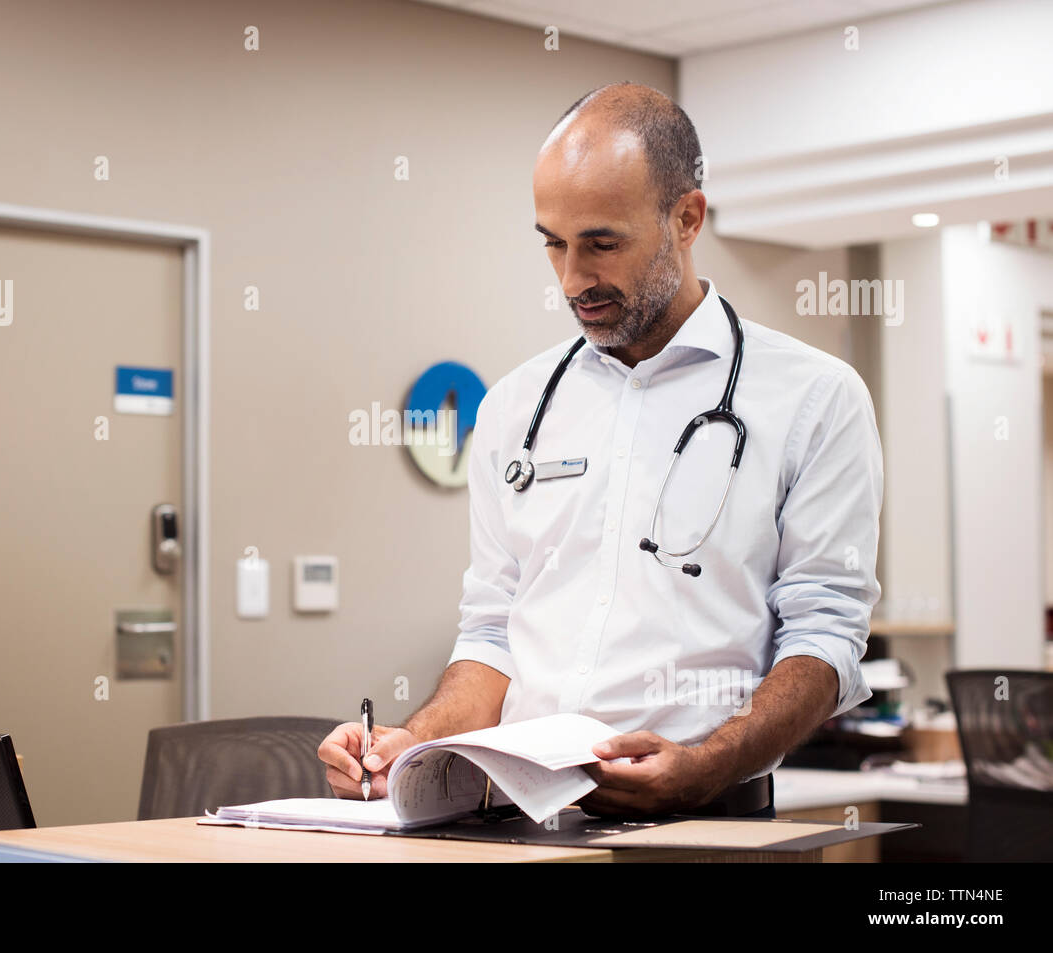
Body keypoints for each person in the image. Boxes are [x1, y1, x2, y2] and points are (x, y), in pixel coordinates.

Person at [318, 82, 883, 819]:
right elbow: (492, 632)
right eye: (553, 242)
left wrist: (705, 764)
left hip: (706, 820)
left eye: (601, 243)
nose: (572, 278)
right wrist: (411, 743)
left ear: (686, 218)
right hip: (521, 817)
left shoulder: (814, 397)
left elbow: (826, 636)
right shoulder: (515, 406)